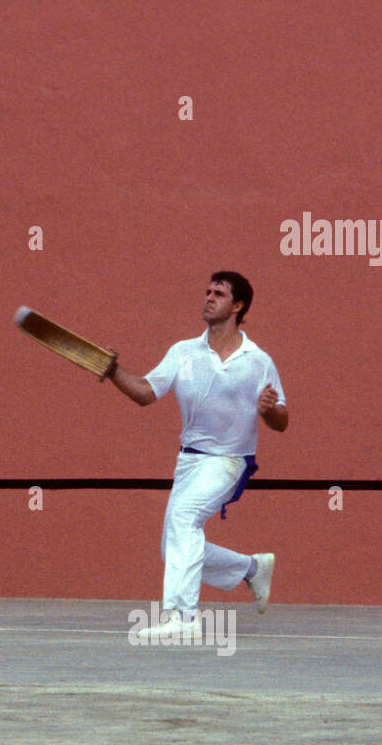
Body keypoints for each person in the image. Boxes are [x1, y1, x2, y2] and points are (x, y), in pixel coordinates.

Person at [103, 272, 286, 639]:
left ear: (237, 306)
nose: (208, 298)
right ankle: (251, 569)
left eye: (218, 294)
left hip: (230, 461)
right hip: (189, 462)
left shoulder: (258, 360)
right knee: (173, 545)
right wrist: (113, 371)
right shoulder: (182, 351)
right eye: (207, 291)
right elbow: (145, 393)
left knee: (183, 520)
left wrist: (268, 410)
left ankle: (183, 619)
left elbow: (280, 421)